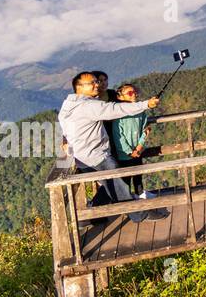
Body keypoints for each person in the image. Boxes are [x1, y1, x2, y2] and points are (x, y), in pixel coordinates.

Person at [58, 72, 165, 223]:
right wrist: (146, 104)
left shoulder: (68, 105)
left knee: (110, 186)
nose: (97, 85)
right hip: (97, 156)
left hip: (80, 158)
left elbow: (67, 128)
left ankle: (91, 218)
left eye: (97, 82)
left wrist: (64, 140)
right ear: (79, 87)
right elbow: (117, 110)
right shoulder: (89, 105)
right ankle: (139, 216)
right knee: (119, 187)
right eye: (92, 83)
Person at [108, 83, 151, 197]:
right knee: (126, 178)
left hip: (137, 151)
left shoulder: (141, 112)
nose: (134, 94)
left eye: (135, 91)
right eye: (130, 93)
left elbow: (145, 129)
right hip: (124, 154)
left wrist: (139, 147)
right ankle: (127, 199)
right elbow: (118, 136)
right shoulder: (118, 115)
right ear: (120, 97)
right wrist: (129, 151)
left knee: (138, 174)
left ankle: (140, 194)